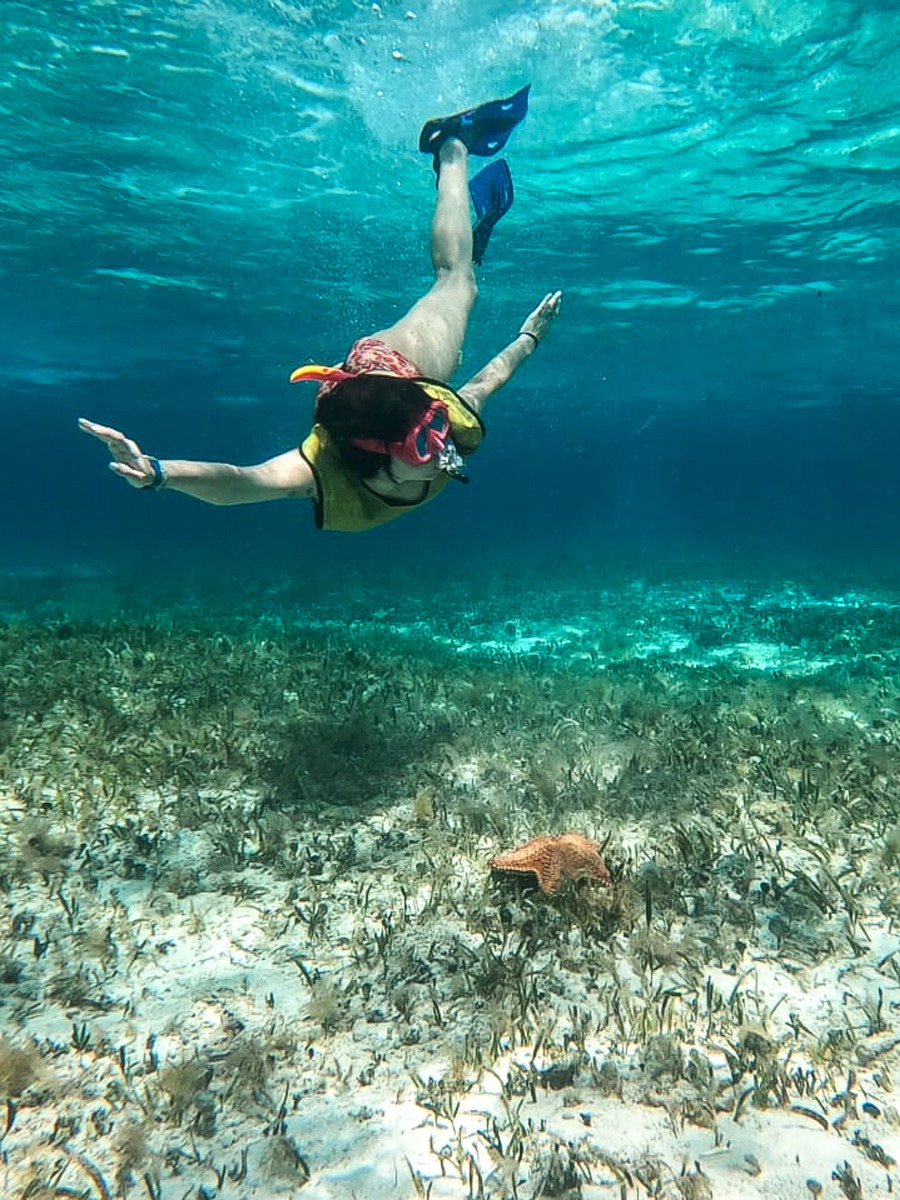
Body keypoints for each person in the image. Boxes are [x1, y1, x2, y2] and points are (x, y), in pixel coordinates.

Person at [80, 86, 562, 532]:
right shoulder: (325, 469)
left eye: (435, 424)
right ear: (376, 455)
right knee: (457, 321)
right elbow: (244, 482)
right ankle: (465, 223)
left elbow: (479, 387)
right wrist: (158, 474)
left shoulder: (437, 416)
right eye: (424, 440)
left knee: (458, 282)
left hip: (395, 362)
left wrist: (528, 339)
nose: (442, 444)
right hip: (386, 395)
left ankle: (452, 144)